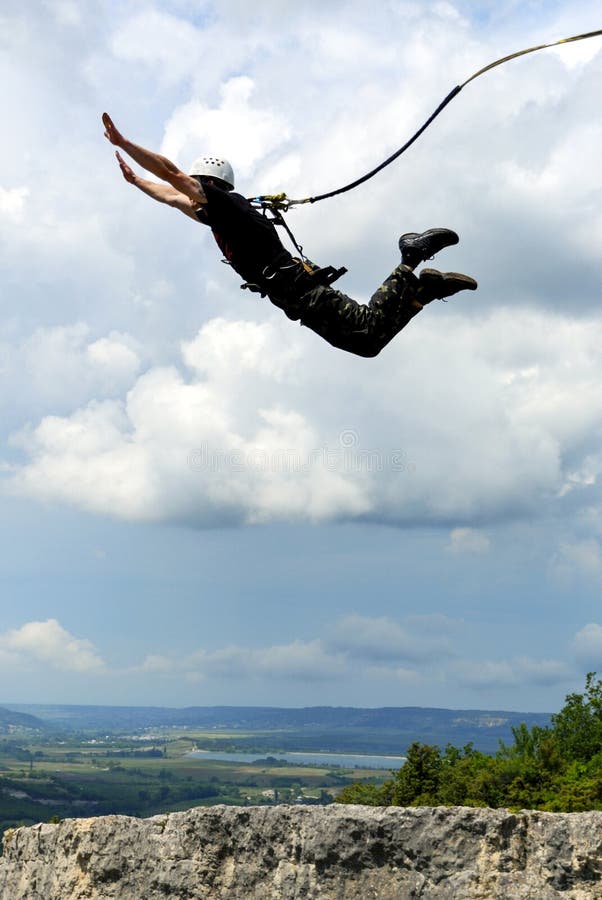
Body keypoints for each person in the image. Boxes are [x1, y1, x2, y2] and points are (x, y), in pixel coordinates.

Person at [102, 113, 477, 358]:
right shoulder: (217, 219)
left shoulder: (226, 206)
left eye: (194, 188)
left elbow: (172, 176)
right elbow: (170, 196)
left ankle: (411, 258)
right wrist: (136, 182)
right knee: (366, 342)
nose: (188, 197)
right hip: (298, 301)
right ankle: (423, 291)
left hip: (304, 293)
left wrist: (126, 145)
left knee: (366, 328)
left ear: (207, 185)